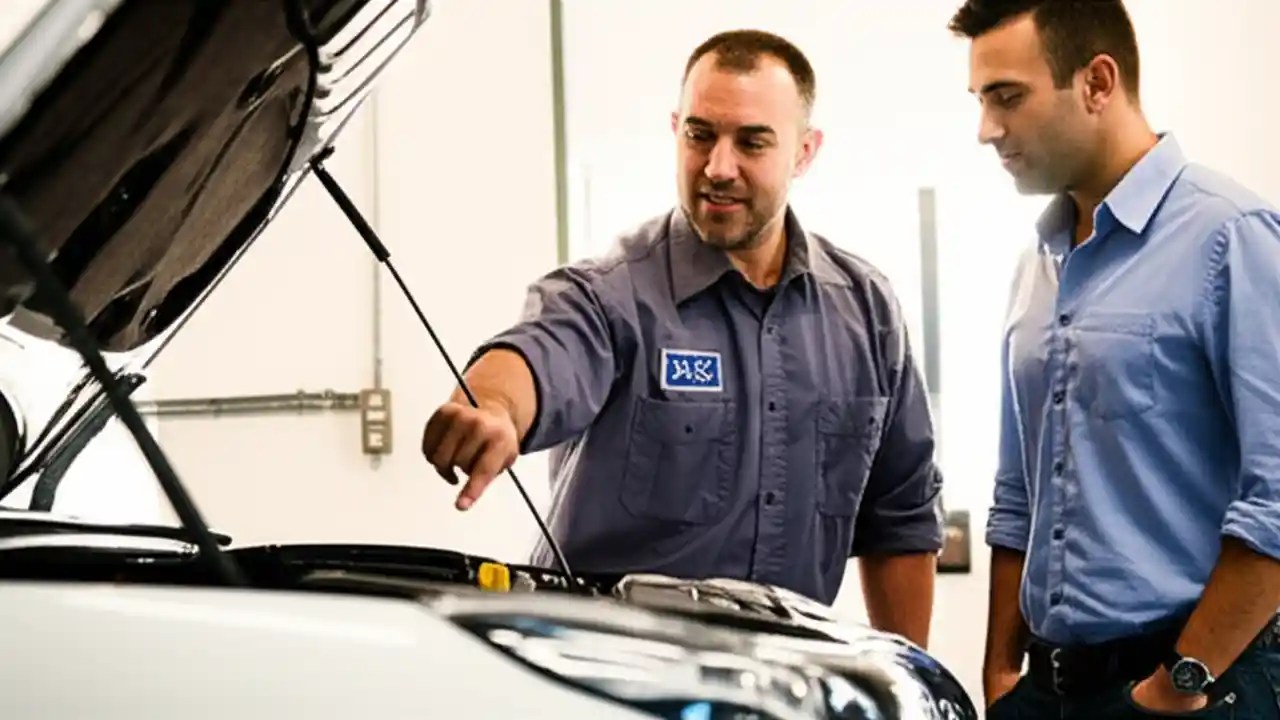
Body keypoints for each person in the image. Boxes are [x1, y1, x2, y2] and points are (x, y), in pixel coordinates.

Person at [419, 29, 943, 646]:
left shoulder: (867, 312)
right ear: (676, 131)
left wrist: (909, 687)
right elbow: (542, 351)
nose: (719, 167)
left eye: (752, 142)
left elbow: (901, 519)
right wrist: (494, 407)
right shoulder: (616, 294)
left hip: (781, 688)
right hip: (606, 682)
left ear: (804, 152)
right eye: (701, 135)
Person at [948, 0, 1280, 716]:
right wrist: (1002, 675)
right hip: (1047, 687)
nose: (986, 130)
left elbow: (1279, 498)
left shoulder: (1234, 238)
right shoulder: (1038, 262)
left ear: (1098, 82)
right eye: (980, 101)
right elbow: (1018, 493)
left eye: (1007, 97)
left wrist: (1179, 683)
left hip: (1192, 688)